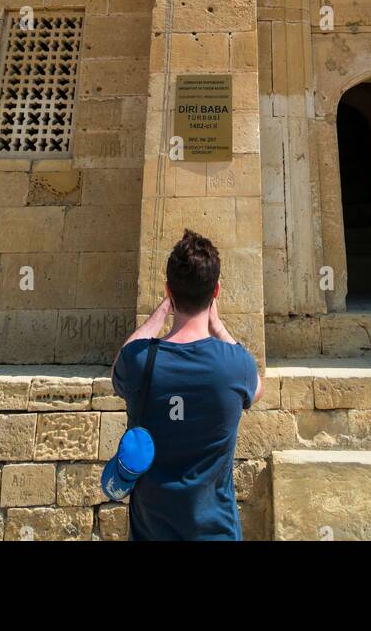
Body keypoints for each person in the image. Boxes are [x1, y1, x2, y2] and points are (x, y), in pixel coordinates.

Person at [111, 228, 262, 541]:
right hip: (215, 531)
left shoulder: (139, 362)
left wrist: (161, 311)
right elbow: (257, 388)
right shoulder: (236, 366)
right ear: (216, 291)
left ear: (169, 290)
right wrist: (218, 326)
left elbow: (120, 363)